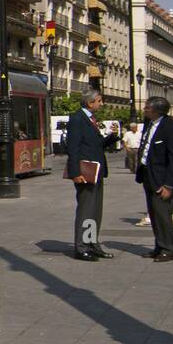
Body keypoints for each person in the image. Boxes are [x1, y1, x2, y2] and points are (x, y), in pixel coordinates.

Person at [66, 89, 113, 261]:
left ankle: (92, 243)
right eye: (99, 101)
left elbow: (96, 144)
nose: (101, 104)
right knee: (86, 209)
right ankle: (82, 246)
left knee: (95, 210)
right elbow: (73, 147)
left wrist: (112, 137)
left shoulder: (90, 119)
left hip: (96, 171)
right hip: (85, 172)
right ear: (90, 102)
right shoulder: (78, 119)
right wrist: (75, 172)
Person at [136, 96, 173, 262]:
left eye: (147, 107)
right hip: (149, 175)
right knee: (154, 213)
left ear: (157, 110)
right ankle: (159, 245)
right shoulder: (150, 124)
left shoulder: (170, 127)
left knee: (163, 215)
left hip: (163, 179)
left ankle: (168, 249)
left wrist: (169, 185)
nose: (145, 109)